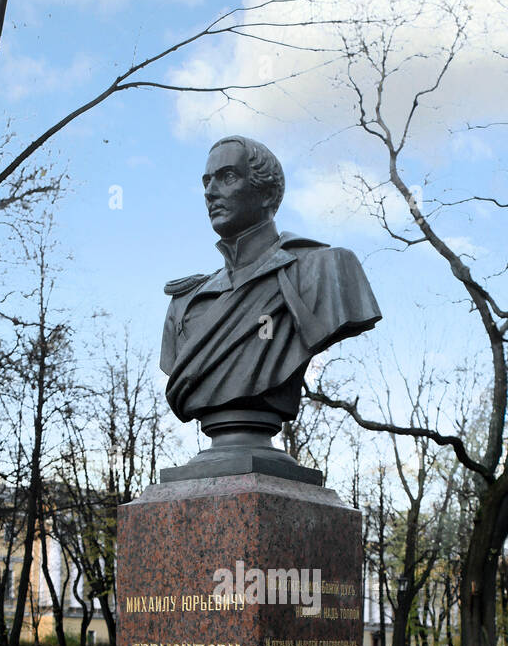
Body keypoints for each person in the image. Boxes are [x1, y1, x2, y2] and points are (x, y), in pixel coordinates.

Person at [160, 136, 381, 445]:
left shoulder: (325, 270)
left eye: (227, 177)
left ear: (267, 192)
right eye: (207, 182)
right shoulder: (185, 302)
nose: (210, 192)